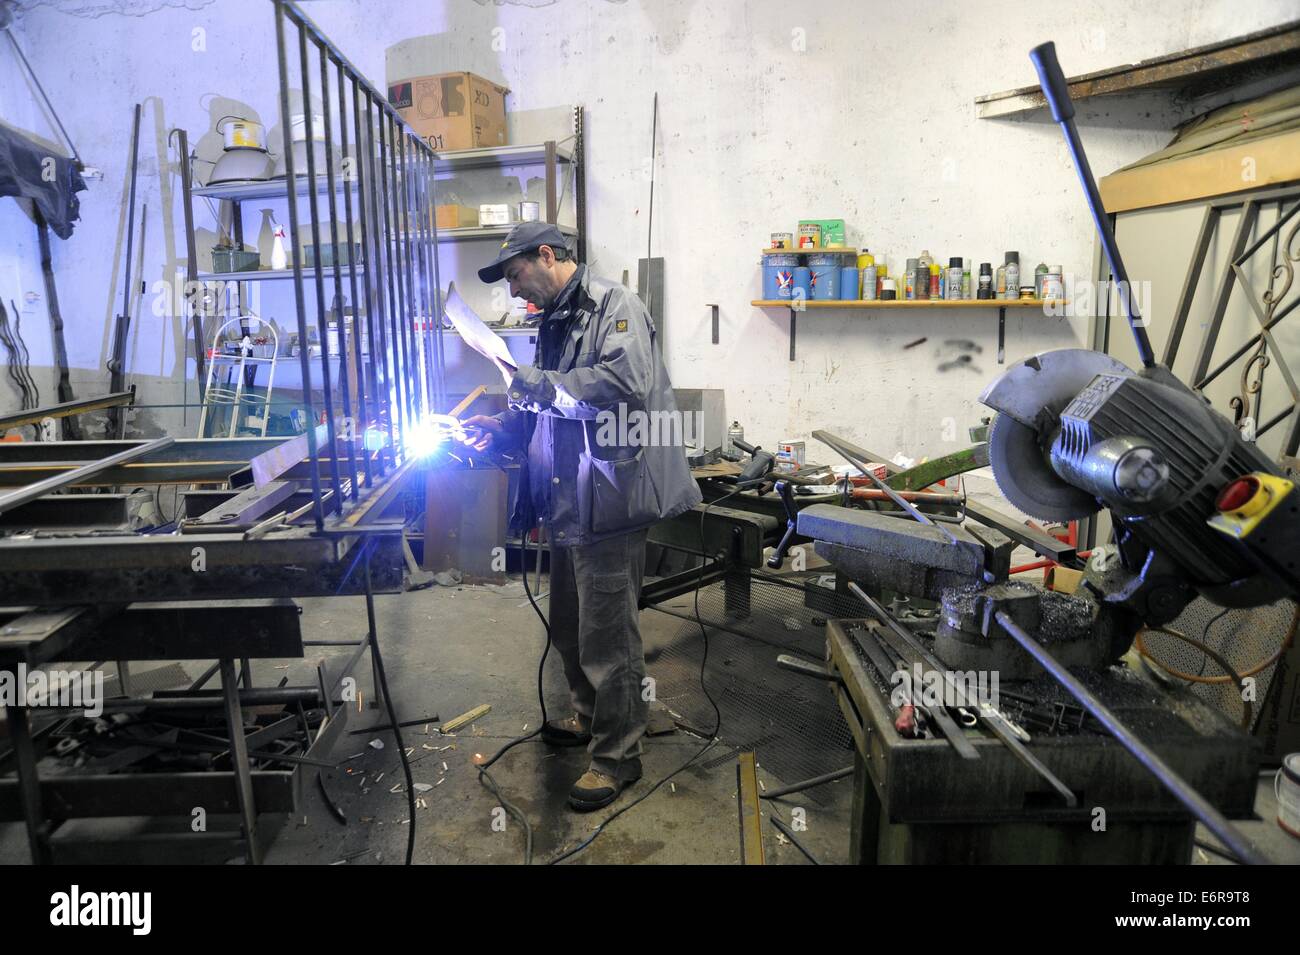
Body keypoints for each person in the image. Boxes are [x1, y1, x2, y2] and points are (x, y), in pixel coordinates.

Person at [463, 222, 701, 810]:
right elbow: (546, 403)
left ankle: (618, 757)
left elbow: (621, 386)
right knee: (571, 627)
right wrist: (504, 427)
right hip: (567, 497)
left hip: (609, 499)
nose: (517, 293)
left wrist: (534, 387)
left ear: (547, 256)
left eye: (518, 276)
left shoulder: (616, 306)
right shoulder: (555, 321)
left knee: (608, 637)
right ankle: (592, 716)